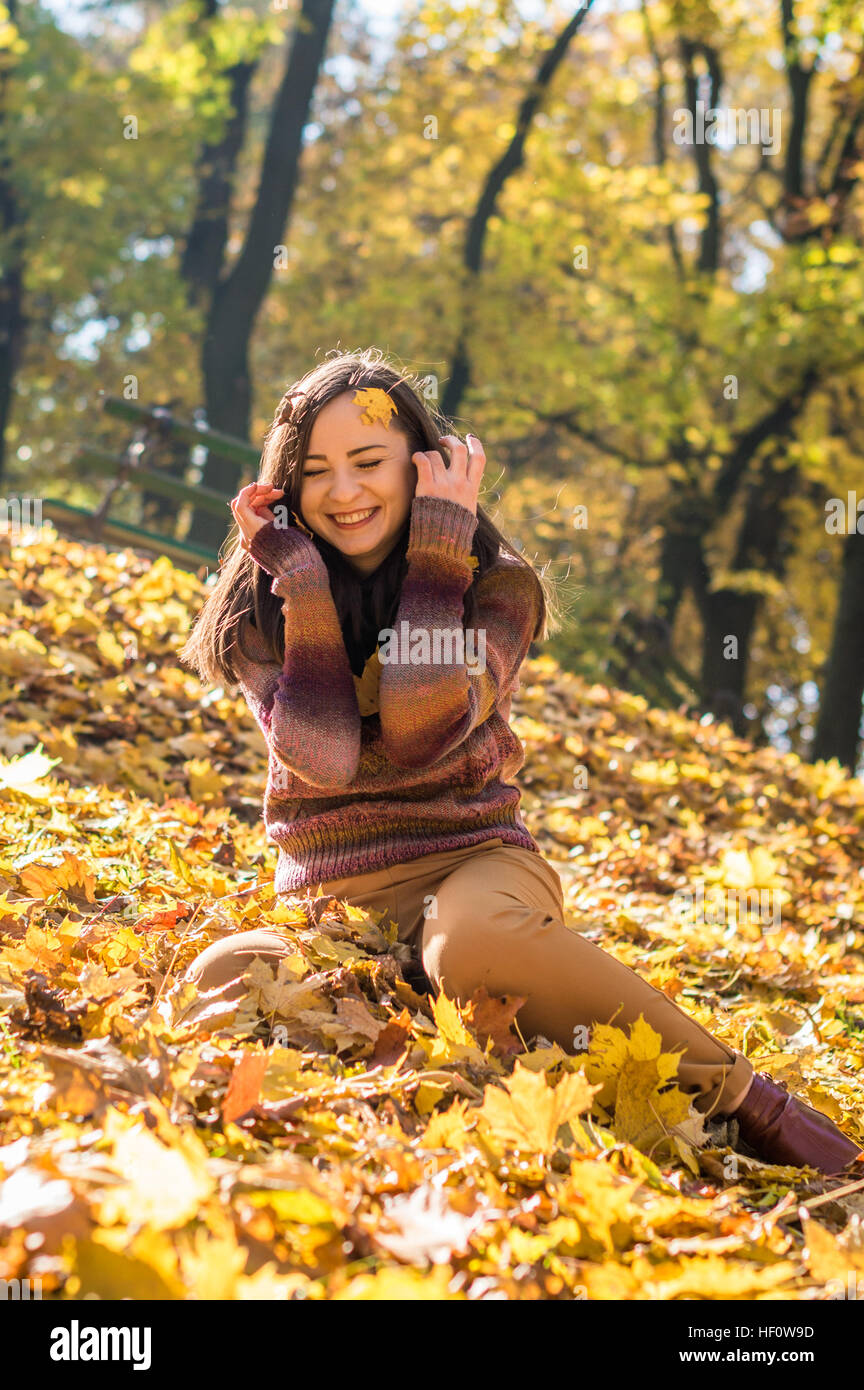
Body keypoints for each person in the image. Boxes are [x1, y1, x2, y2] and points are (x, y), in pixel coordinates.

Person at [179, 348, 863, 1179]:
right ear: (286, 487)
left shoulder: (497, 589)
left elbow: (421, 731)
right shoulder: (261, 608)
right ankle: (435, 1053)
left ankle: (752, 1104)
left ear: (424, 467)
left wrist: (437, 554)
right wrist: (307, 593)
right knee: (220, 977)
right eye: (316, 471)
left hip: (475, 864)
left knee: (470, 946)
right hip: (333, 903)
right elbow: (322, 760)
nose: (345, 492)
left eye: (368, 463)